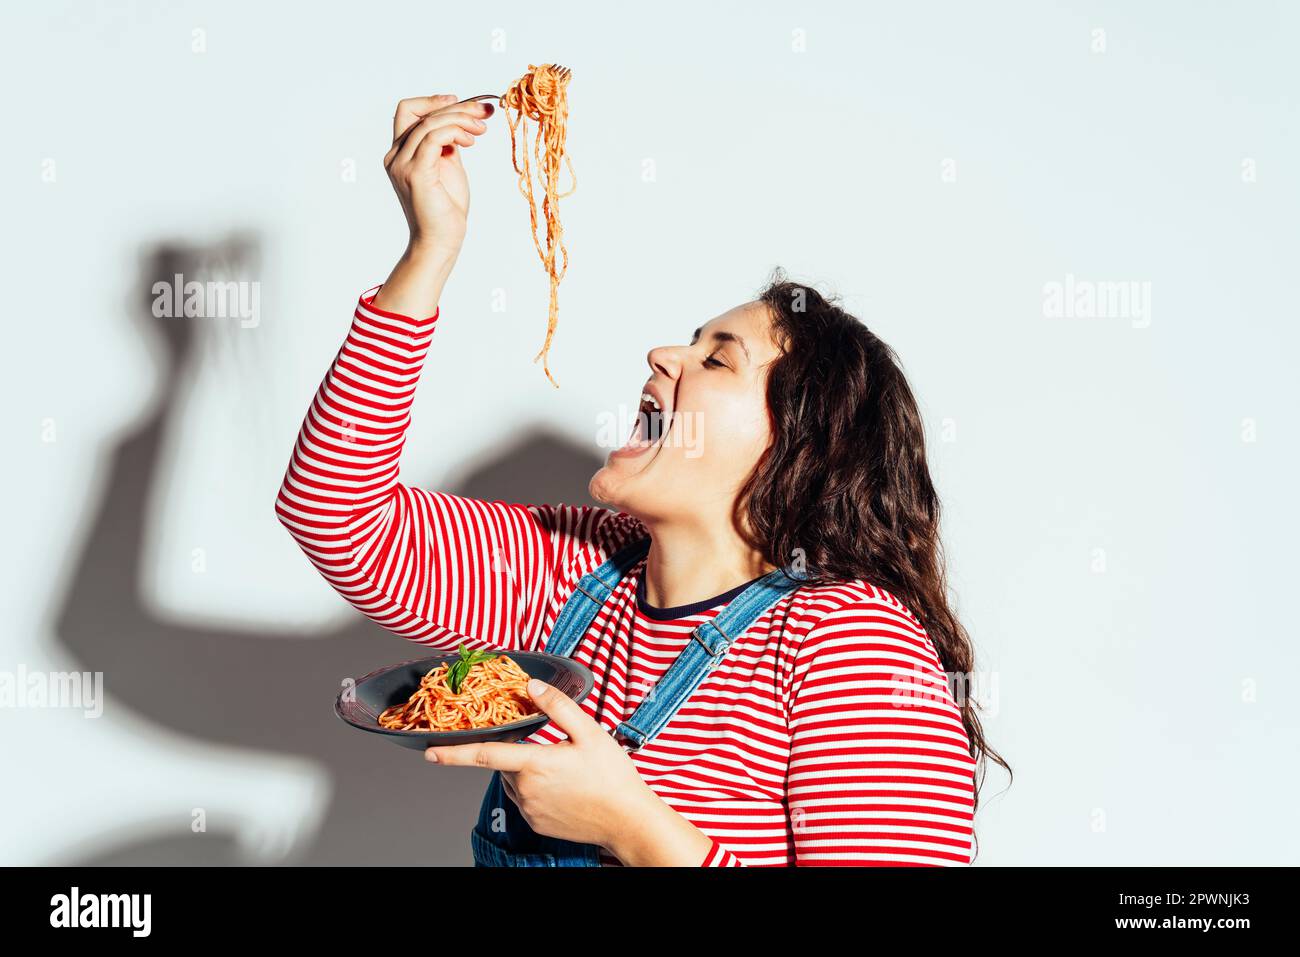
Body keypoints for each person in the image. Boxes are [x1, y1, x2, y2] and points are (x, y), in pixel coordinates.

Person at [275, 93, 1008, 866]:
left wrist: (635, 828)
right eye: (692, 341)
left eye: (718, 358)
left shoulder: (851, 641)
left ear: (797, 446)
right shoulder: (577, 571)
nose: (664, 354)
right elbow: (334, 510)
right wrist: (431, 251)